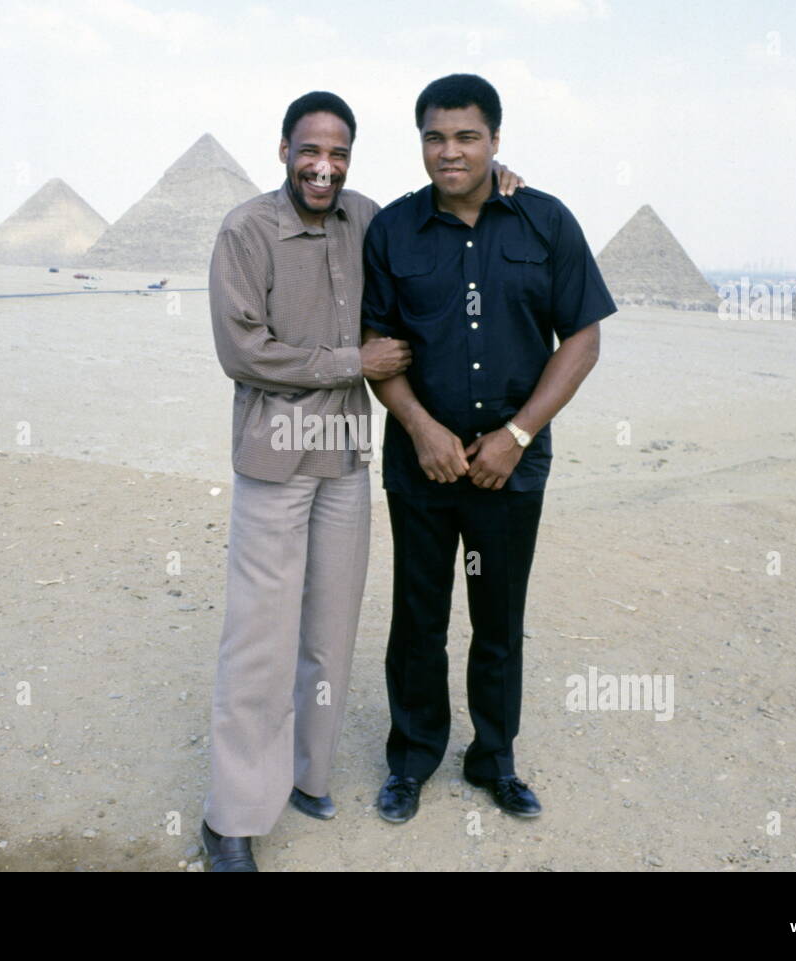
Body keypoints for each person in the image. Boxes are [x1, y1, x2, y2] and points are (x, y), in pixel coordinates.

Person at [203, 90, 525, 871]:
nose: (324, 166)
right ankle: (232, 816)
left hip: (344, 454)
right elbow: (244, 351)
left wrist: (497, 182)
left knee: (330, 628)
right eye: (310, 150)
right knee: (260, 639)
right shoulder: (247, 230)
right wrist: (355, 363)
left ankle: (306, 774)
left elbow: (442, 221)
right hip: (278, 453)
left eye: (339, 153)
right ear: (284, 150)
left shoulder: (367, 219)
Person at [361, 74, 616, 825]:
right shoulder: (394, 232)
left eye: (468, 136)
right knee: (419, 615)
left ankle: (493, 759)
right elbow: (377, 346)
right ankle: (411, 757)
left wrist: (516, 435)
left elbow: (584, 337)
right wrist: (420, 427)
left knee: (499, 619)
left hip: (511, 467)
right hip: (423, 464)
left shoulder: (543, 222)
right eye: (436, 137)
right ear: (421, 143)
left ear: (496, 140)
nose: (451, 152)